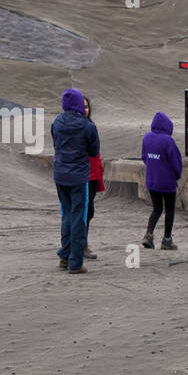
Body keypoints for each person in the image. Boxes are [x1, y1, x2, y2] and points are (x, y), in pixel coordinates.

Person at [51, 86, 99, 274]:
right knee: (79, 217)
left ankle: (64, 256)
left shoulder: (57, 122)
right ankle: (75, 262)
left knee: (67, 215)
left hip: (60, 174)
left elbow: (56, 143)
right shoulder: (88, 126)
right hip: (79, 176)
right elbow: (94, 151)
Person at [141, 111, 183, 251]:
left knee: (157, 208)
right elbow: (175, 162)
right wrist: (177, 175)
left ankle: (149, 234)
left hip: (152, 180)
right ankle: (167, 239)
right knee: (169, 210)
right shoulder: (168, 140)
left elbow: (144, 157)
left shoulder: (147, 137)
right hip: (168, 182)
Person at [83, 94, 105, 261]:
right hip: (82, 174)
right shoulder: (84, 127)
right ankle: (81, 244)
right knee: (82, 211)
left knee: (89, 211)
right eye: (82, 107)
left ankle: (82, 242)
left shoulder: (91, 125)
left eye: (87, 107)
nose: (85, 110)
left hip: (92, 174)